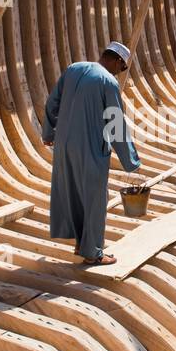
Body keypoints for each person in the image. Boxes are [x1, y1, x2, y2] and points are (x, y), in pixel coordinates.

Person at [42, 41, 141, 265]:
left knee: (73, 194)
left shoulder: (73, 68)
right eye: (123, 67)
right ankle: (93, 252)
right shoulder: (108, 82)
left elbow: (52, 103)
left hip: (64, 146)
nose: (121, 71)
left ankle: (80, 243)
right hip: (89, 149)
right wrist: (131, 161)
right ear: (117, 61)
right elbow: (116, 125)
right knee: (95, 198)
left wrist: (48, 132)